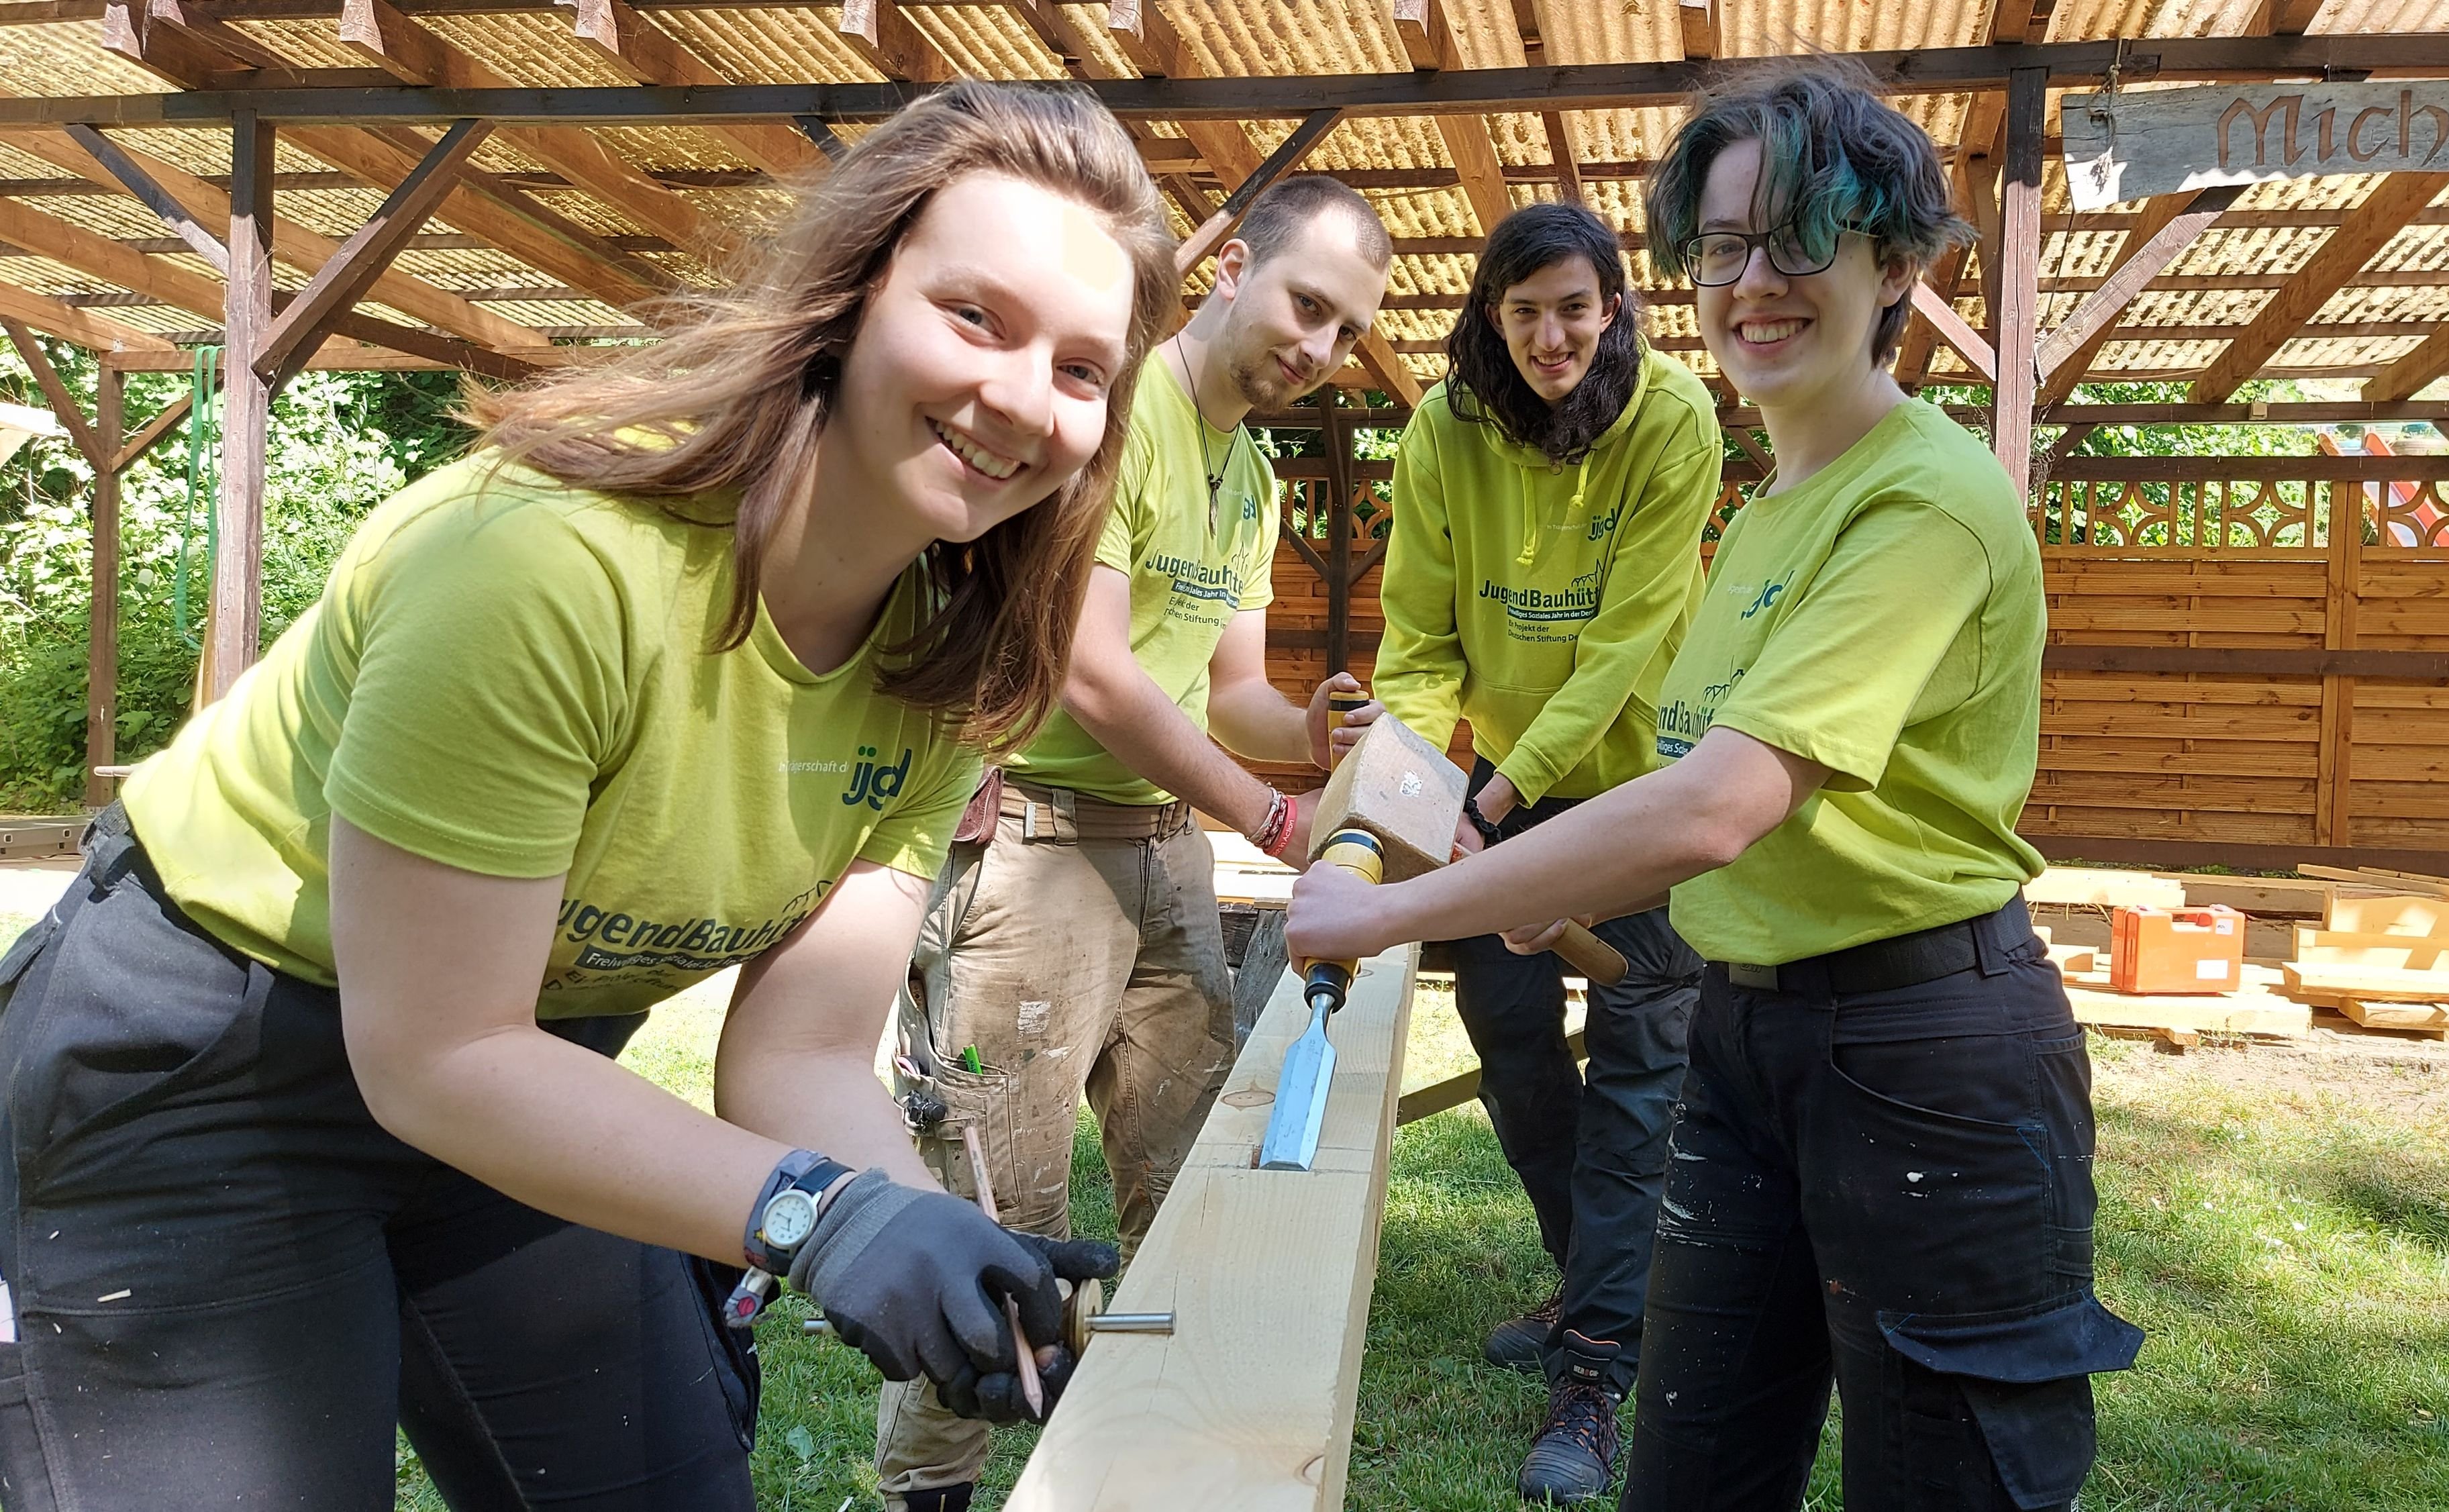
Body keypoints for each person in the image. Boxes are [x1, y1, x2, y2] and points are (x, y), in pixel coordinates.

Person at [0, 81, 1182, 1509]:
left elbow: (797, 1054)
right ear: (850, 298)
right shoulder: (542, 566)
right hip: (208, 1065)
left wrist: (918, 1229)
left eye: (1078, 370)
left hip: (526, 1068)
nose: (1017, 397)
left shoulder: (947, 660)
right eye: (975, 316)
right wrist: (812, 1212)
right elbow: (433, 1049)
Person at [1287, 62, 2143, 1512]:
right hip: (1746, 1039)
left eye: (1799, 237)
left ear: (1894, 260)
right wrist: (1524, 868)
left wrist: (1401, 905)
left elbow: (1712, 804)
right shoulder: (1770, 512)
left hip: (1922, 1054)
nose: (1754, 279)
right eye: (1723, 245)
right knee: (1688, 1474)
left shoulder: (1921, 497)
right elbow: (1680, 795)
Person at [872, 173, 1393, 1511]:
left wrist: (1312, 729)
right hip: (1036, 851)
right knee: (996, 1220)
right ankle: (931, 1491)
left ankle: (1137, 1466)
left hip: (1160, 854)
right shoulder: (1121, 417)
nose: (1317, 347)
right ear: (1231, 272)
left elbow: (1227, 691)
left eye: (1345, 329)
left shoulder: (1253, 469)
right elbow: (1089, 674)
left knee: (1190, 1190)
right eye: (1305, 304)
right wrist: (1271, 815)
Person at [1374, 201, 1719, 1503]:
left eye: (1571, 305)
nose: (1548, 334)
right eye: (1521, 310)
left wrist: (1494, 789)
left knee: (1640, 1072)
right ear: (1488, 313)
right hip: (1503, 788)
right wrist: (1410, 797)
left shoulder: (1671, 417)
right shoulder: (1440, 427)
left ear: (1612, 304)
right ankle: (1597, 1290)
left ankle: (1592, 1369)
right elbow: (1415, 637)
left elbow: (1625, 640)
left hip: (1645, 785)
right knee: (1507, 1029)